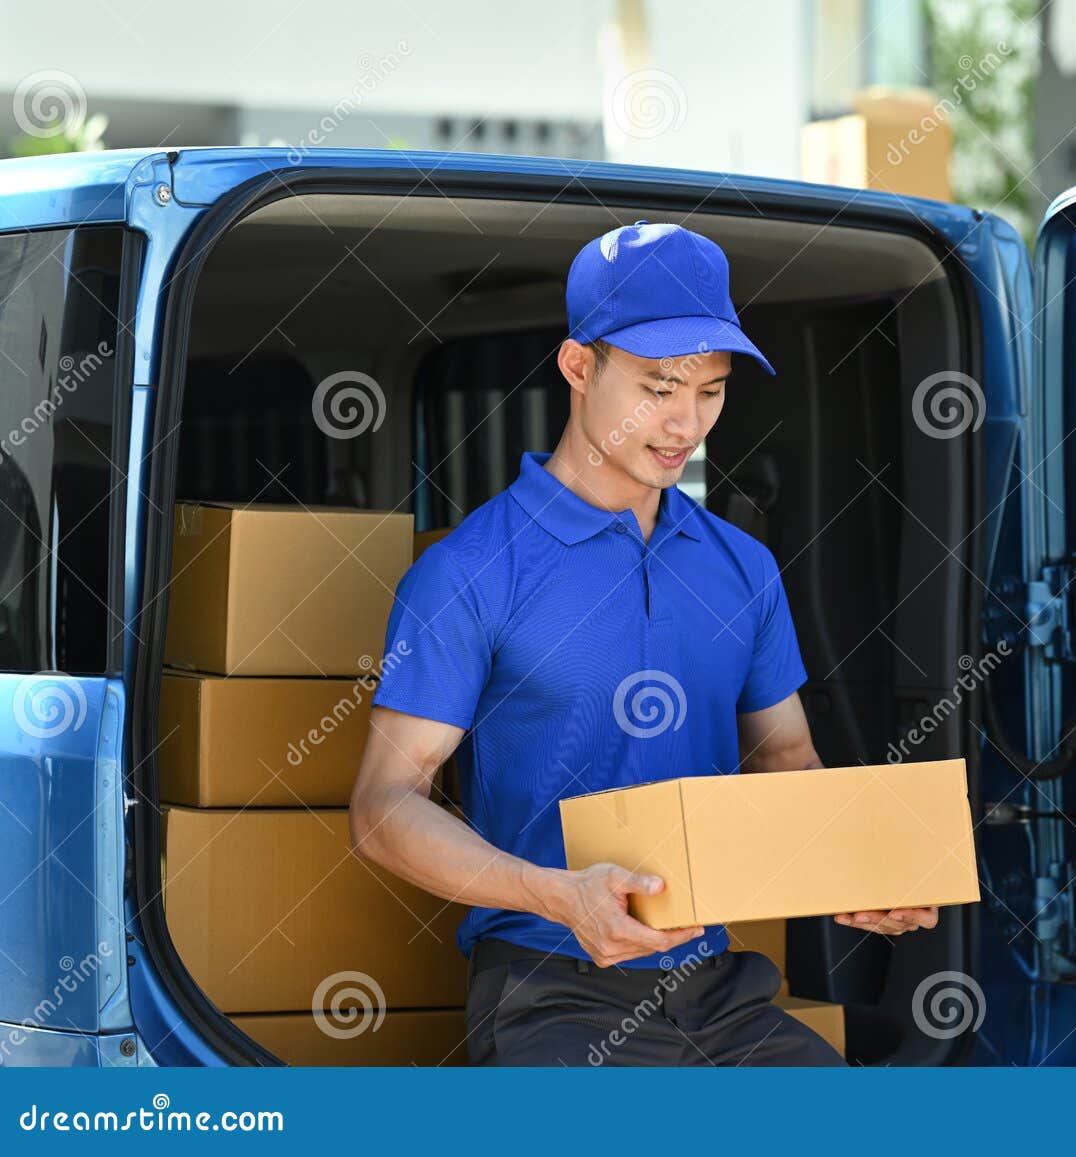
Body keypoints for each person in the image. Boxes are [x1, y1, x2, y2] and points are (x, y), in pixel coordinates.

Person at [348, 221, 940, 1066]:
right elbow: (383, 807)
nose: (685, 423)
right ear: (579, 367)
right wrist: (559, 896)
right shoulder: (473, 570)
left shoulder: (743, 566)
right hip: (550, 986)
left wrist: (855, 867)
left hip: (720, 989)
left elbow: (785, 762)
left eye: (710, 390)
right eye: (659, 387)